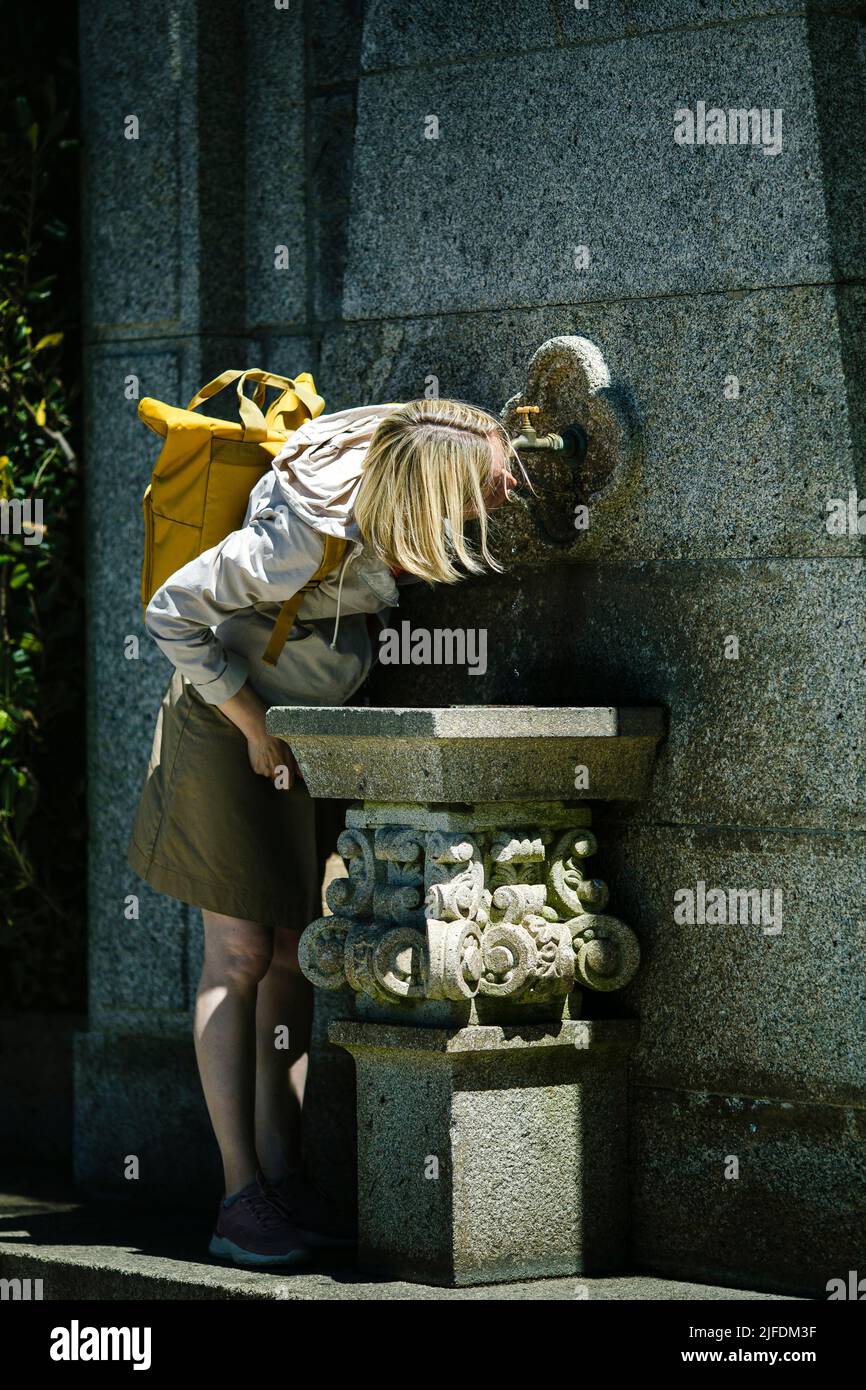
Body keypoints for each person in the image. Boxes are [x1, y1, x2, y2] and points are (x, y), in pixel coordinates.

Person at [127, 396, 523, 1267]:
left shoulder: (402, 473)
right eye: (493, 484)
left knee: (289, 954)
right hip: (225, 724)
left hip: (299, 732)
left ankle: (283, 1173)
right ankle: (238, 1197)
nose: (508, 489)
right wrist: (254, 728)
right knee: (236, 955)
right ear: (435, 487)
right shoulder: (301, 537)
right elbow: (168, 612)